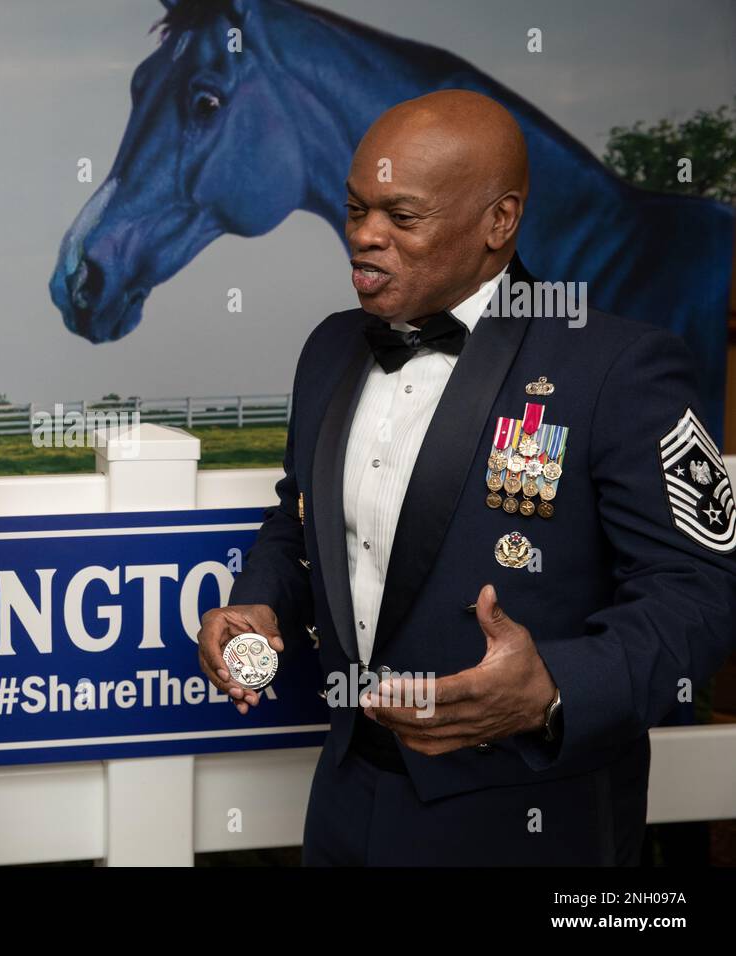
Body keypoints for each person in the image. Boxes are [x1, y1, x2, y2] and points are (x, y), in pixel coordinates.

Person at [198, 89, 736, 865]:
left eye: (401, 216)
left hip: (531, 816)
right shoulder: (329, 349)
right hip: (346, 802)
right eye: (355, 210)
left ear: (500, 222)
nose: (364, 238)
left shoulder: (618, 366)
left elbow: (698, 591)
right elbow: (300, 515)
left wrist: (552, 686)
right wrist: (259, 597)